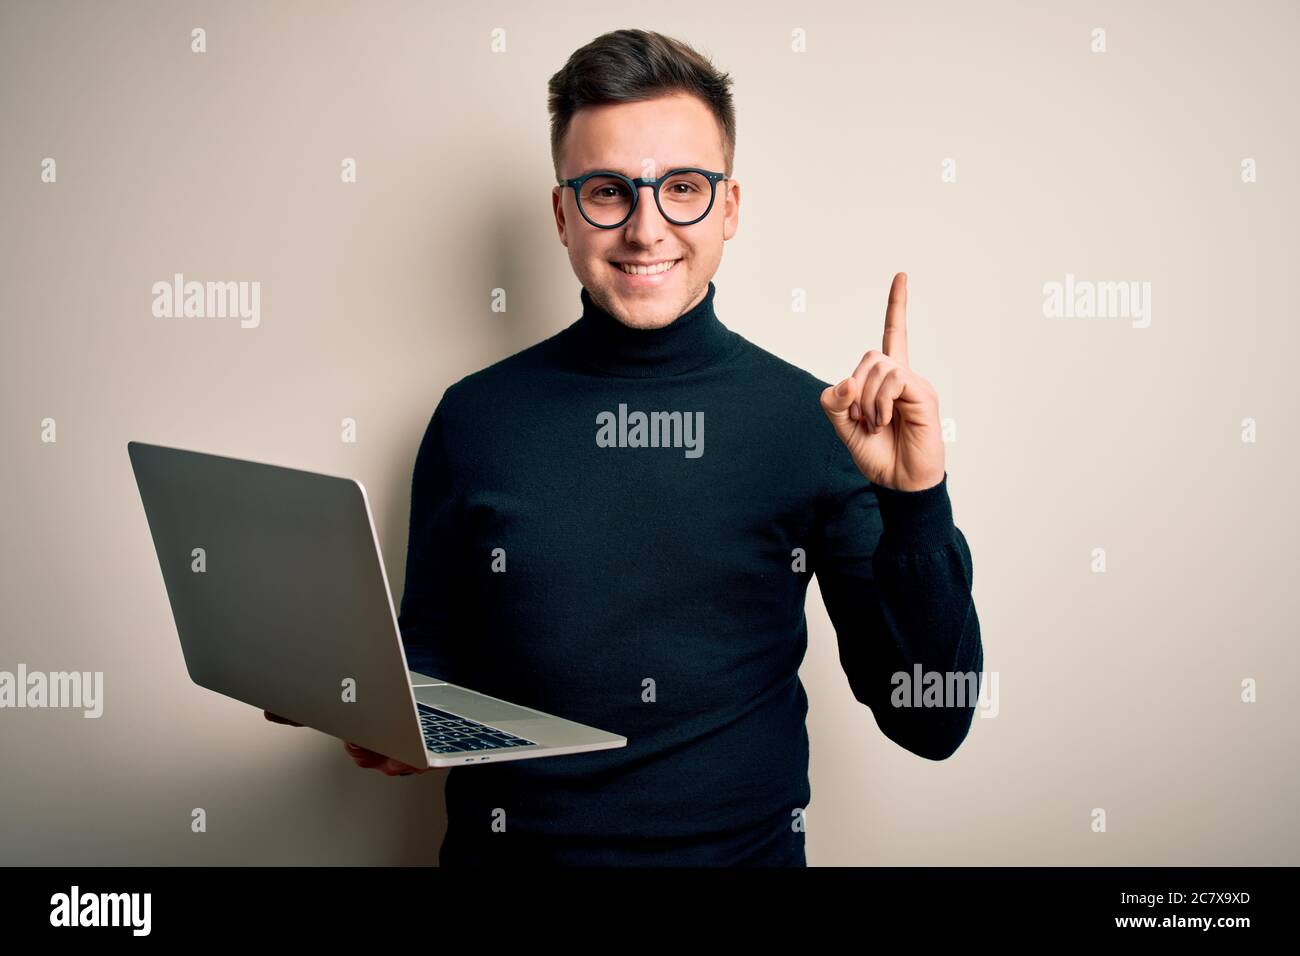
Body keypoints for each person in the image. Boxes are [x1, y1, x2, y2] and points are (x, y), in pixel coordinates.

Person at [271, 28, 982, 866]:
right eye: (608, 191)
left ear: (730, 206)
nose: (646, 229)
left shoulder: (821, 424)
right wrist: (377, 711)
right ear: (562, 212)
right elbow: (429, 652)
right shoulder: (472, 418)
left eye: (682, 187)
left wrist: (916, 503)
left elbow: (931, 723)